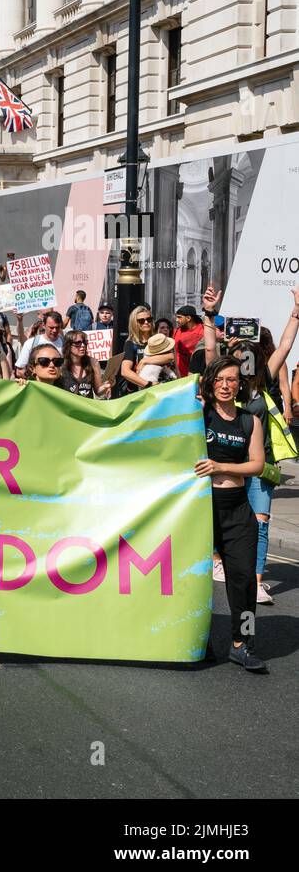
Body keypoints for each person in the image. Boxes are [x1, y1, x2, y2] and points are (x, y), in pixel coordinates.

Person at [203, 285, 299, 606]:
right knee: (221, 518)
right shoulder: (228, 384)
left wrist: (296, 311)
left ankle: (256, 582)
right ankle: (219, 559)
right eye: (239, 355)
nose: (245, 361)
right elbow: (209, 357)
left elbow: (285, 346)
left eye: (250, 355)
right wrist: (208, 316)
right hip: (227, 462)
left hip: (261, 465)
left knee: (260, 521)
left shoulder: (264, 381)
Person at [197, 356, 267, 672]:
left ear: (240, 384)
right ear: (211, 382)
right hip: (200, 508)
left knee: (245, 583)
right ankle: (197, 641)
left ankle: (244, 643)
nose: (226, 385)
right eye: (220, 379)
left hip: (238, 509)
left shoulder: (249, 420)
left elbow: (257, 465)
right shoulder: (199, 416)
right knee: (195, 582)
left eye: (233, 379)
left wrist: (223, 466)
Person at [118, 306, 156, 393]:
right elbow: (125, 371)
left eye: (149, 319)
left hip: (160, 386)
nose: (146, 322)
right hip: (141, 390)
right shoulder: (131, 343)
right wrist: (148, 384)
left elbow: (170, 356)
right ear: (135, 323)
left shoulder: (157, 339)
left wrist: (144, 361)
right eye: (141, 321)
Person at [15, 310, 63, 375]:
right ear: (44, 325)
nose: (55, 330)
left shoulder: (66, 343)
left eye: (57, 327)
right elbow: (19, 370)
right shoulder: (31, 343)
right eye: (51, 327)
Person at [60, 331, 105, 398]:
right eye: (78, 343)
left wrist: (106, 386)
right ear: (68, 345)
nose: (83, 345)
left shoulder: (93, 363)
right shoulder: (60, 365)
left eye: (85, 342)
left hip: (87, 407)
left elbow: (98, 392)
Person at [173, 305, 203, 377]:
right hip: (179, 377)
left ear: (188, 318)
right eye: (176, 317)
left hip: (196, 377)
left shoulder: (202, 331)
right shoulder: (177, 331)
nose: (176, 320)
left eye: (179, 317)